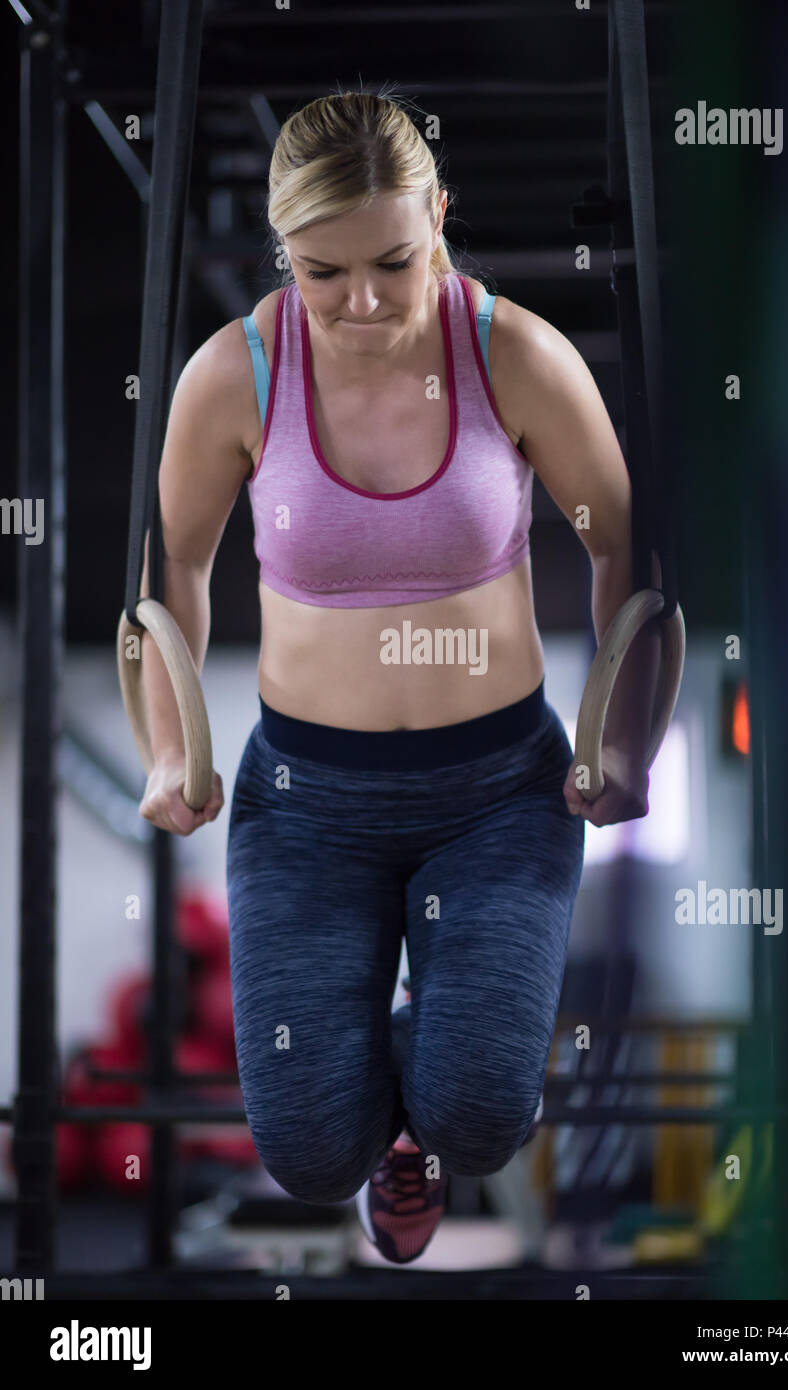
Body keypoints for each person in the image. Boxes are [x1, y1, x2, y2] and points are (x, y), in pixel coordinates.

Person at [136, 89, 660, 1267]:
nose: (362, 301)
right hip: (306, 807)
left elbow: (626, 549)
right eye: (323, 272)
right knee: (311, 1150)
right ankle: (374, 1121)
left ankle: (431, 1084)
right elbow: (170, 570)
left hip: (499, 797)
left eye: (394, 259)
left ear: (439, 216)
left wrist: (621, 744)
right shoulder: (235, 375)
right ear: (285, 252)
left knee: (482, 1115)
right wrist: (172, 751)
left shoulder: (513, 353)